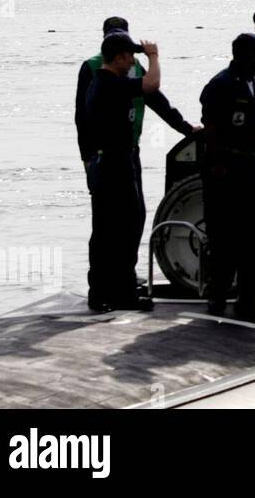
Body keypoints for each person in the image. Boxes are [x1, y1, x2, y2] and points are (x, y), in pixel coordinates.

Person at [82, 31, 161, 312]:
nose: (132, 62)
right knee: (114, 229)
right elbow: (152, 84)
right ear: (118, 58)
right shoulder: (107, 84)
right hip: (112, 164)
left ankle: (117, 289)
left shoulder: (112, 82)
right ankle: (109, 292)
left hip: (118, 161)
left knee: (124, 225)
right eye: (129, 57)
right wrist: (153, 55)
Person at [200, 33, 255, 321]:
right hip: (226, 170)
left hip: (252, 169)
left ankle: (246, 297)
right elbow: (212, 129)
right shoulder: (221, 86)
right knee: (223, 236)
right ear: (245, 56)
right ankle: (218, 294)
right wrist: (218, 163)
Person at [75, 16, 196, 177]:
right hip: (102, 153)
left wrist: (187, 129)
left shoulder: (134, 65)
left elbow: (158, 103)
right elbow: (82, 115)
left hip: (129, 148)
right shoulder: (92, 68)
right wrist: (86, 156)